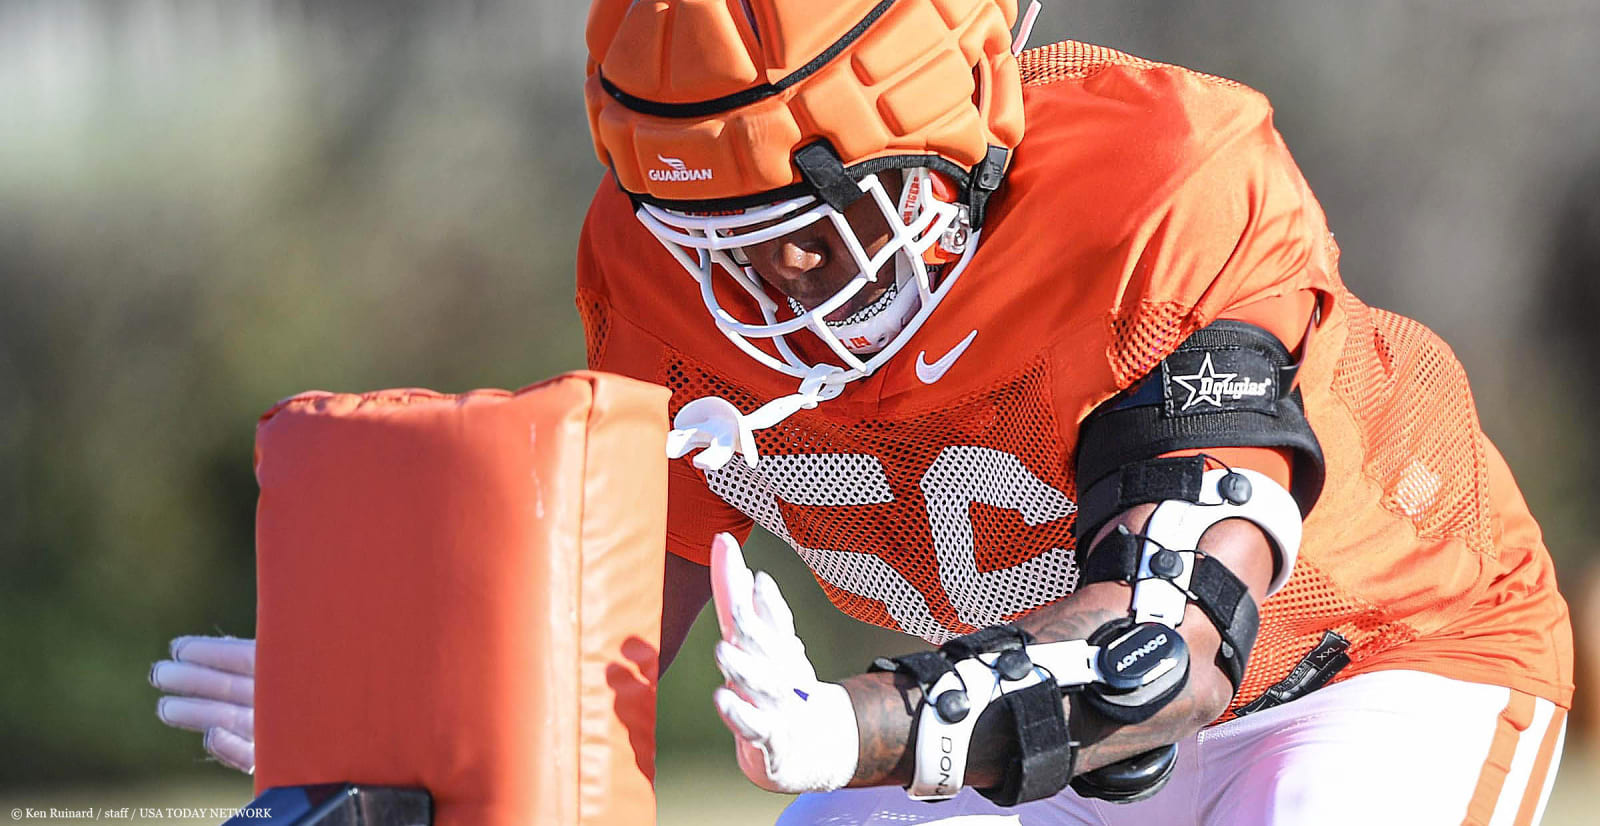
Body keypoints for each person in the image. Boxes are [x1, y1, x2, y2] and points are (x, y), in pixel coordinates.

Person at [153, 1, 1574, 823]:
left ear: (956, 113)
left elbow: (1160, 648)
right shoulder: (650, 271)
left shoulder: (1159, 191)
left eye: (829, 220)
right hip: (999, 708)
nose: (779, 286)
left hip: (1374, 662)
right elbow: (602, 647)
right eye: (730, 238)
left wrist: (862, 727)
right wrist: (405, 725)